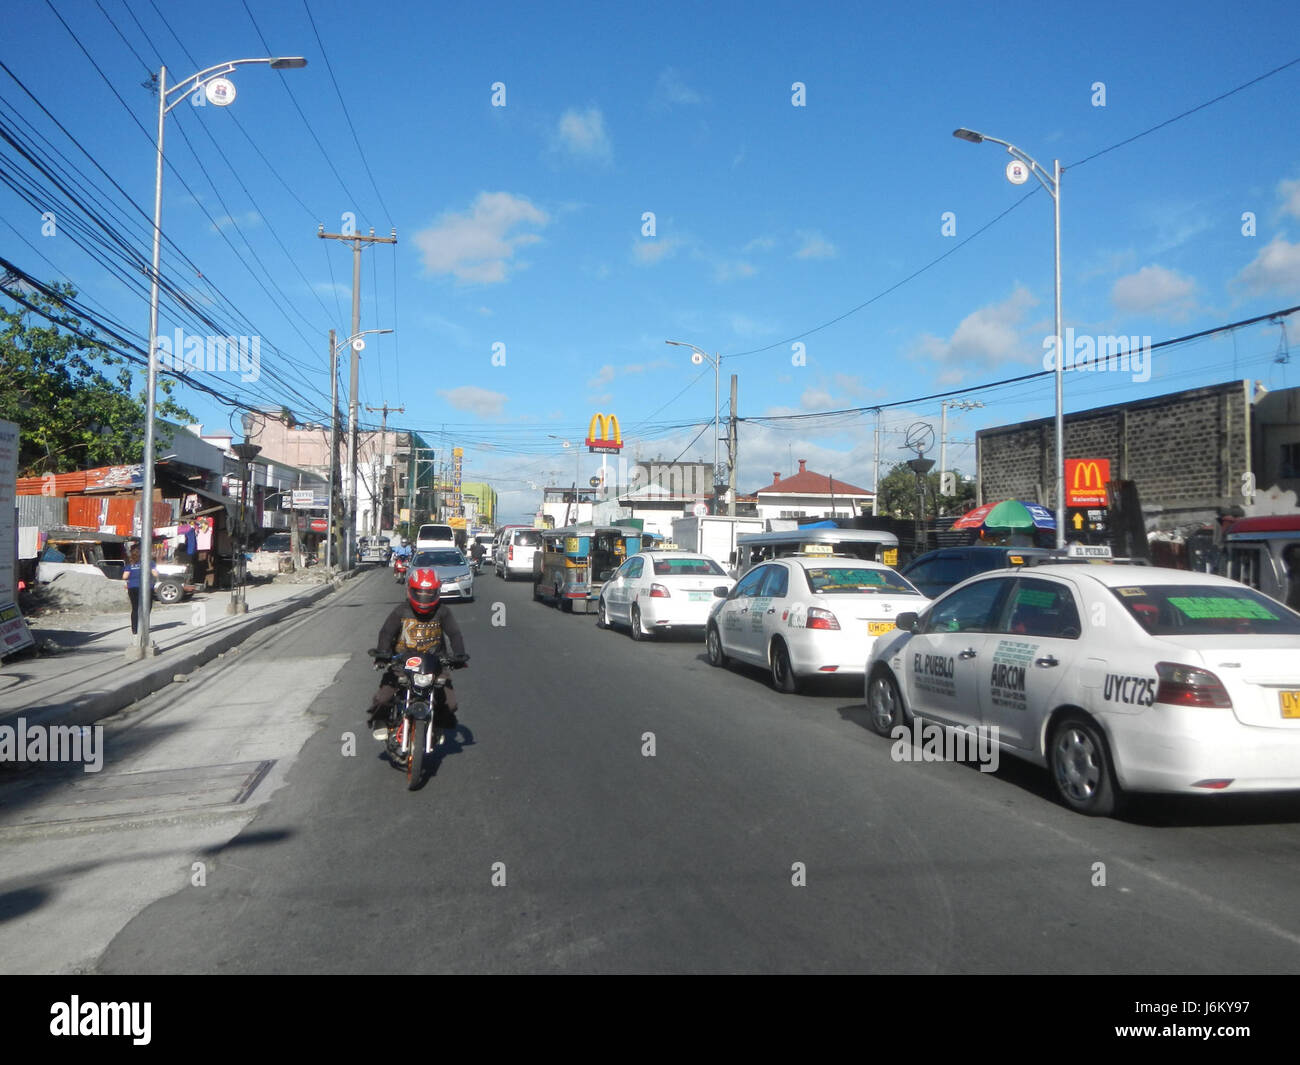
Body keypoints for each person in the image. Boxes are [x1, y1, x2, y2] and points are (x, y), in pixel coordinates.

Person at [367, 569, 468, 732]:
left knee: (451, 705)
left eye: (429, 593)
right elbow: (386, 632)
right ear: (410, 590)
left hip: (435, 665)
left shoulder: (442, 611)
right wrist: (382, 654)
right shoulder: (401, 610)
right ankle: (381, 721)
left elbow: (455, 634)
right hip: (401, 664)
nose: (424, 597)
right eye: (420, 592)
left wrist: (459, 655)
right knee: (382, 699)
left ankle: (436, 727)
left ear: (436, 592)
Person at [124, 544, 157, 635]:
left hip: (133, 587)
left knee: (135, 608)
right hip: (147, 587)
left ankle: (135, 629)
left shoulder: (131, 564)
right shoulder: (149, 562)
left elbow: (124, 576)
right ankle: (143, 627)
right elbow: (155, 574)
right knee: (146, 607)